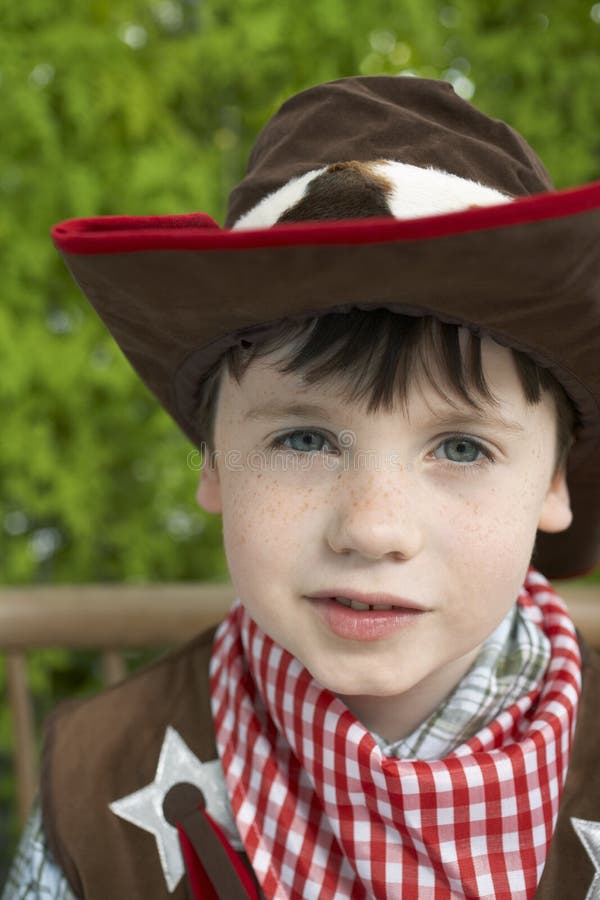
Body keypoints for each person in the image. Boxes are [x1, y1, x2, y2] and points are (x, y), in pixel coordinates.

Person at [3, 76, 600, 900]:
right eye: (306, 438)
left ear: (554, 481)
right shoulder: (101, 778)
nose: (373, 528)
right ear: (212, 460)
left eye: (461, 446)